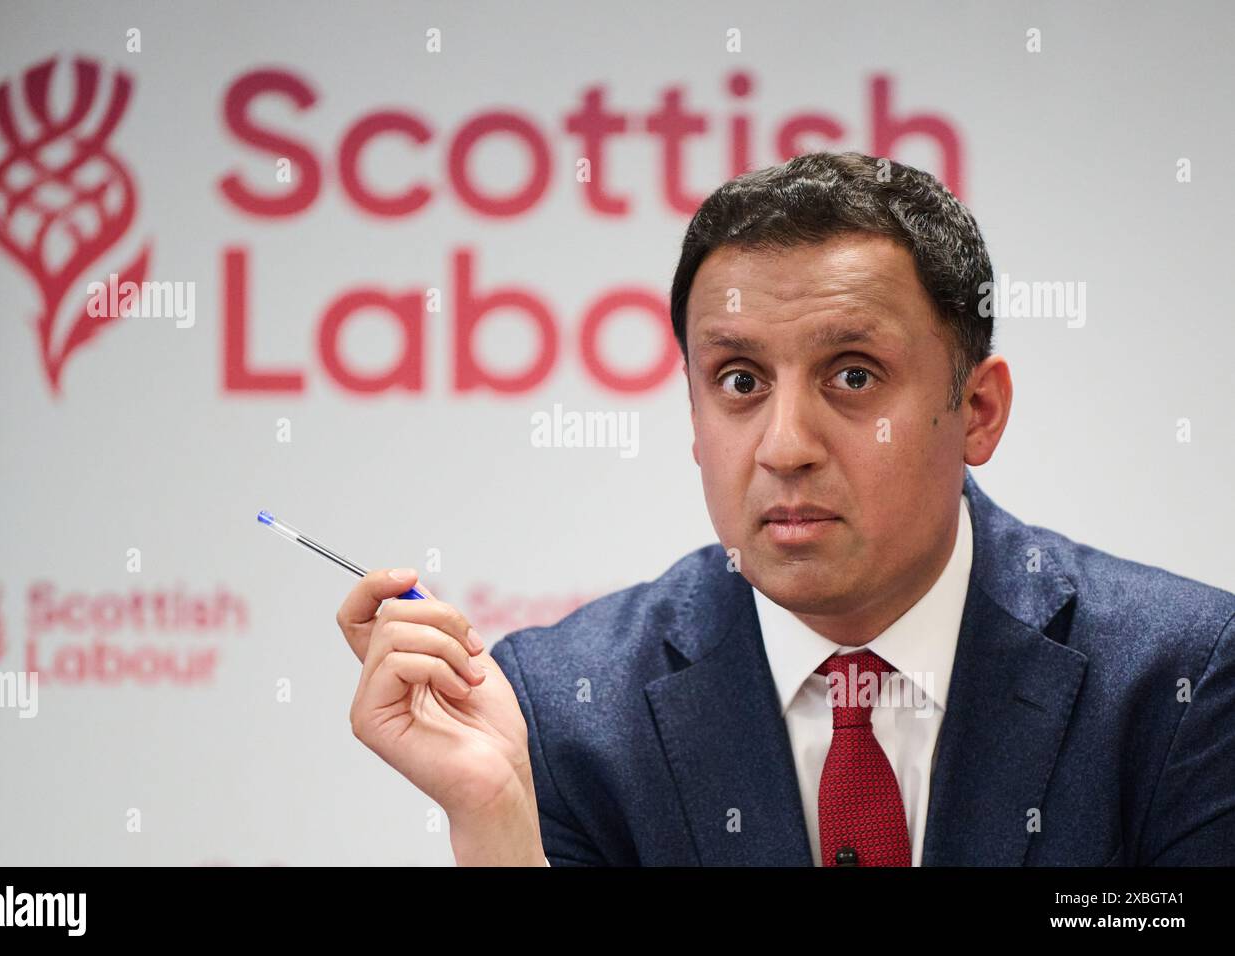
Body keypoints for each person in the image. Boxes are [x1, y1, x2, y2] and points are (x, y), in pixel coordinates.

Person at [336, 152, 1235, 866]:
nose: (784, 445)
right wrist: (495, 823)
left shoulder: (1181, 679)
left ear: (979, 410)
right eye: (739, 381)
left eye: (853, 375)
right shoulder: (564, 712)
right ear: (693, 417)